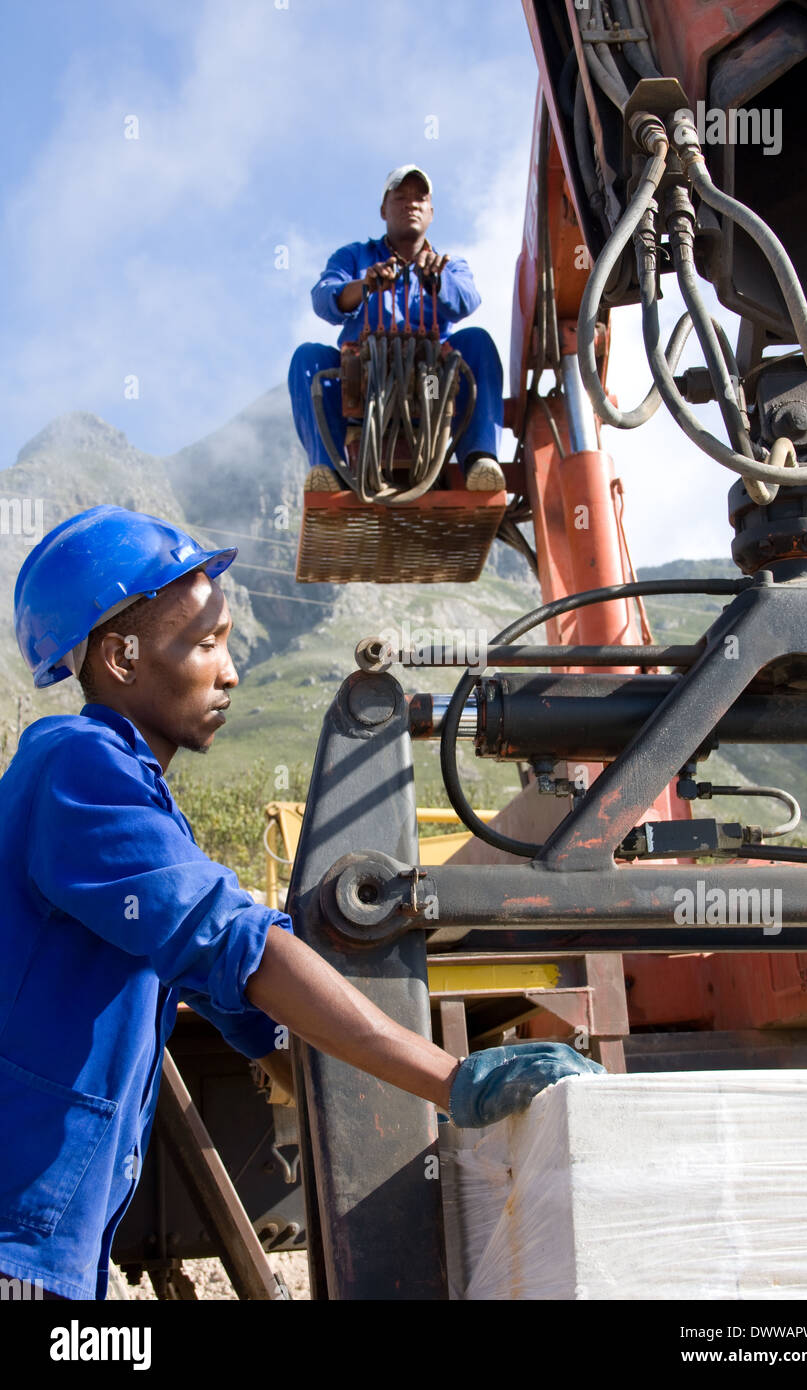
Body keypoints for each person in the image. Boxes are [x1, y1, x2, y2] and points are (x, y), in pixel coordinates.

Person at [0, 505, 601, 1299]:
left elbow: (208, 975)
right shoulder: (76, 767)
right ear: (120, 656)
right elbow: (228, 943)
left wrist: (290, 1058)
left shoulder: (127, 791)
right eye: (205, 644)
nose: (231, 671)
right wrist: (452, 1081)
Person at [289, 165, 507, 492]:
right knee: (308, 358)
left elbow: (467, 300)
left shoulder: (449, 264)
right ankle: (328, 471)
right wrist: (364, 285)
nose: (411, 204)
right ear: (383, 210)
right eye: (400, 197)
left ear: (431, 212)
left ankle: (480, 460)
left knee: (477, 342)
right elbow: (323, 298)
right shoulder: (354, 256)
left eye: (420, 198)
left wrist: (439, 281)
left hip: (432, 384)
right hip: (364, 383)